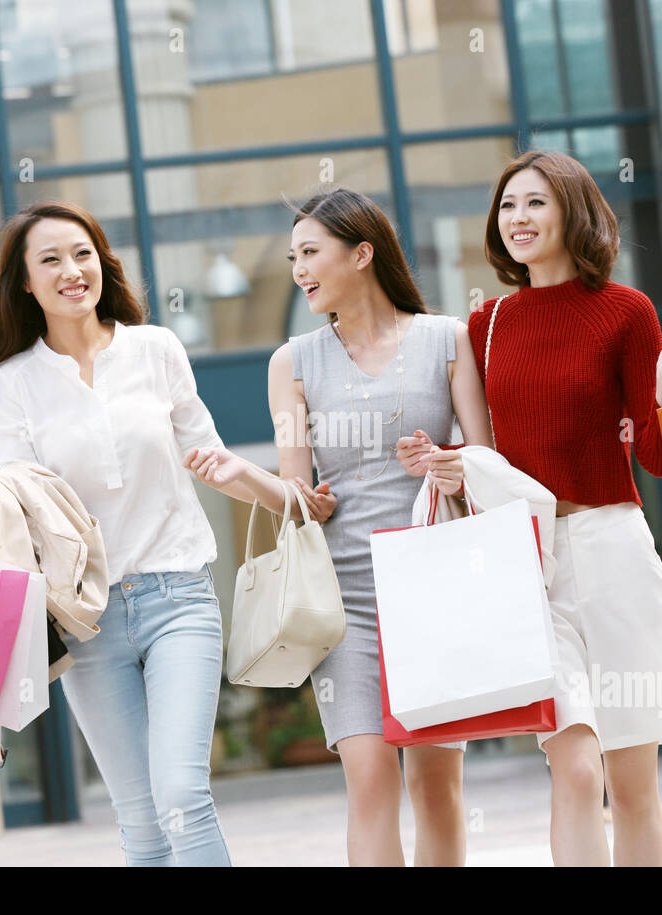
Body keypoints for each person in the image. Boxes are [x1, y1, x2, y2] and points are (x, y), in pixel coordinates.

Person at [184, 187, 493, 866]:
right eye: (292, 255)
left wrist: (447, 462)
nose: (298, 268)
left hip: (433, 589)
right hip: (343, 598)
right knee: (370, 779)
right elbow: (297, 495)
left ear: (362, 253)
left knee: (437, 784)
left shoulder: (447, 339)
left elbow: (486, 458)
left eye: (311, 252)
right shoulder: (291, 362)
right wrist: (238, 476)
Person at [452, 150, 662, 866]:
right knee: (575, 770)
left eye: (535, 203)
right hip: (531, 565)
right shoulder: (485, 326)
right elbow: (484, 457)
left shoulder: (626, 311)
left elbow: (656, 458)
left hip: (612, 551)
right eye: (508, 206)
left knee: (633, 783)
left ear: (573, 211)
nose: (517, 218)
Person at [0, 200, 234, 866]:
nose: (72, 270)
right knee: (139, 817)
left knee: (183, 794)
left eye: (82, 253)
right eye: (50, 259)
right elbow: (21, 490)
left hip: (179, 598)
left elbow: (212, 457)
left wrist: (290, 495)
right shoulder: (13, 380)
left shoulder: (157, 350)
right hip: (87, 618)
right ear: (23, 282)